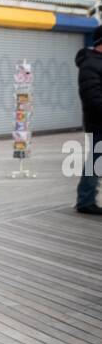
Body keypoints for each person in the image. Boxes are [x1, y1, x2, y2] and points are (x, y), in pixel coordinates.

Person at [75, 25, 102, 215]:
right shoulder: (90, 64)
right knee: (95, 160)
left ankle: (86, 198)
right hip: (98, 122)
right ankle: (85, 200)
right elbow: (93, 97)